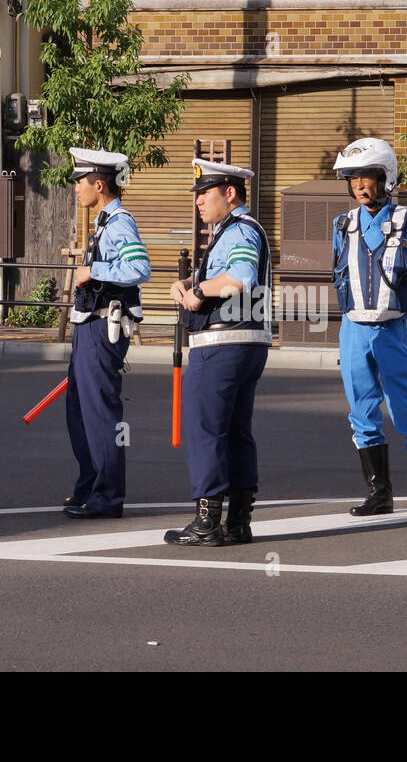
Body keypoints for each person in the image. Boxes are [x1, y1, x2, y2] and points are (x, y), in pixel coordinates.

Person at [331, 137, 407, 524]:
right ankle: (379, 493)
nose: (360, 186)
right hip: (353, 328)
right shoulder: (341, 224)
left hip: (393, 328)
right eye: (354, 179)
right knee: (361, 412)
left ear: (386, 178)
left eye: (368, 177)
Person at [164, 159, 270, 546]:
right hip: (248, 343)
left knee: (206, 430)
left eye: (204, 193)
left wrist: (197, 292)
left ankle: (207, 521)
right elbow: (227, 271)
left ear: (230, 193)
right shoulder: (237, 229)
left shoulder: (238, 230)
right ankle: (239, 520)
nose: (198, 202)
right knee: (237, 432)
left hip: (222, 343)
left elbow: (241, 278)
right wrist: (190, 280)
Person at [60, 147, 150, 520]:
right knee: (79, 412)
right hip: (90, 324)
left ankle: (107, 496)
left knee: (100, 414)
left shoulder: (120, 223)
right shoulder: (103, 222)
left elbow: (139, 267)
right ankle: (90, 485)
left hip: (103, 326)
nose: (77, 189)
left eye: (80, 182)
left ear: (99, 184)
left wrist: (93, 271)